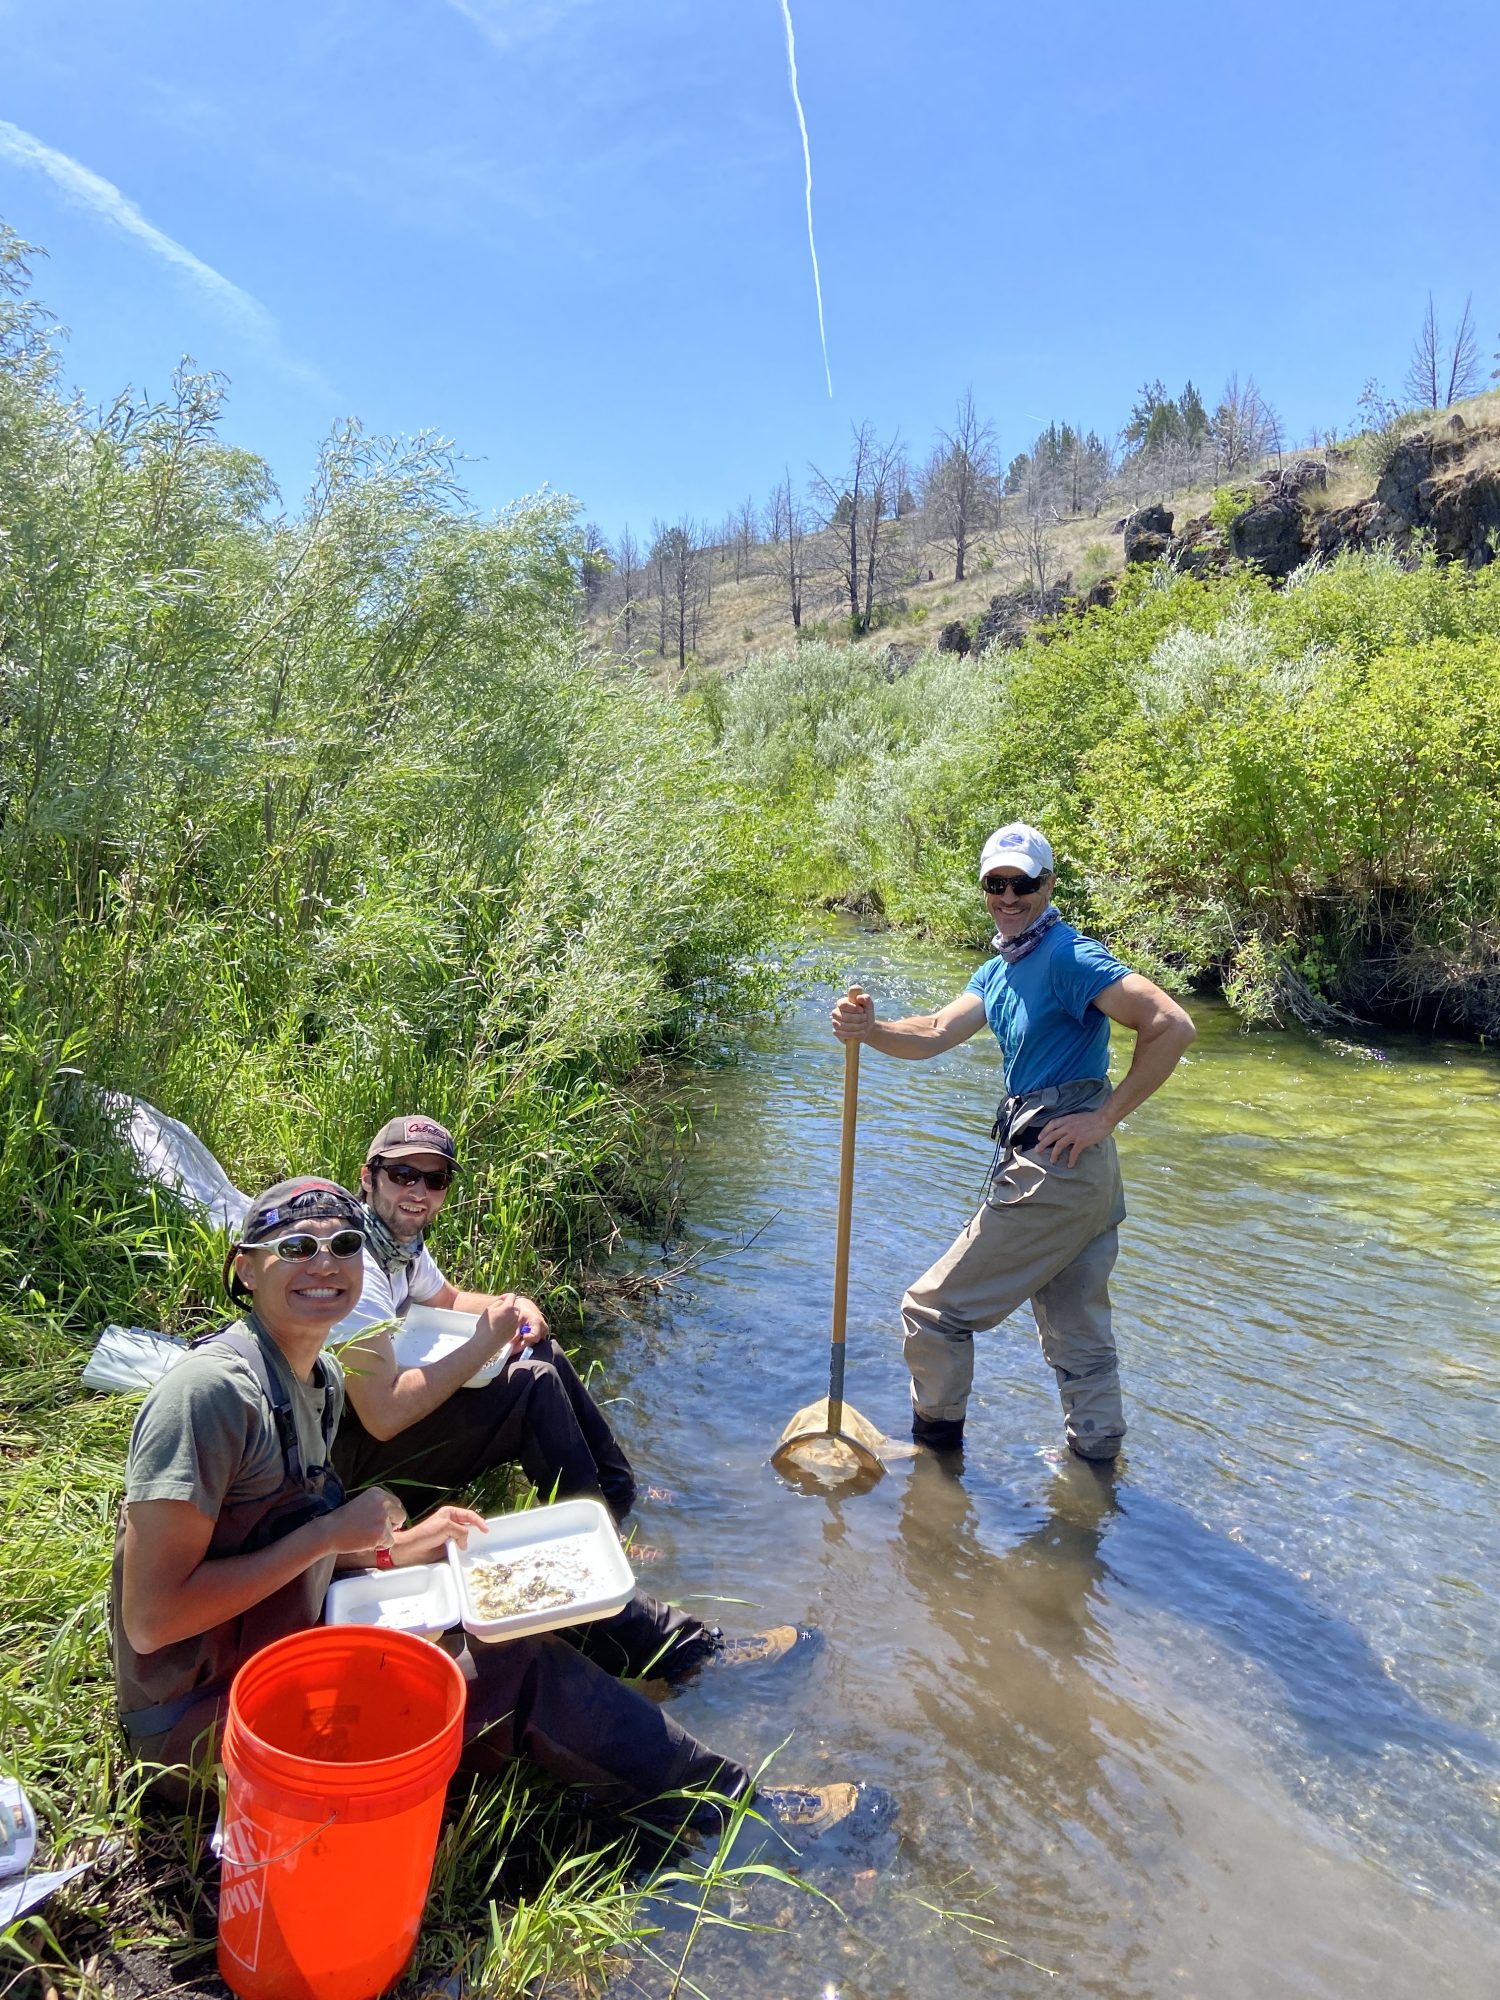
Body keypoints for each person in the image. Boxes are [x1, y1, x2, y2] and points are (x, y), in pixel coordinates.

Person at [110, 1176, 879, 1842]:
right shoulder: (211, 1396)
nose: (326, 1264)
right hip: (215, 1729)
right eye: (296, 1247)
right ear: (244, 1270)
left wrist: (402, 1547)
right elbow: (154, 1618)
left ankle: (684, 1653)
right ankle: (734, 1812)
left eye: (345, 1245)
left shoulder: (313, 1380)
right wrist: (329, 1533)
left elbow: (285, 1546)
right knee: (514, 1663)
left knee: (503, 1560)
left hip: (286, 1648)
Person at [831, 821, 1195, 1460]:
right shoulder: (1003, 967)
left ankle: (935, 1463)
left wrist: (1103, 1118)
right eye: (995, 884)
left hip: (1055, 1168)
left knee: (932, 1312)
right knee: (1079, 1338)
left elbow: (1170, 1024)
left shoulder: (1066, 956)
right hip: (1082, 1177)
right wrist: (871, 1028)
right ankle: (1093, 1477)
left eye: (1022, 883)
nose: (1008, 896)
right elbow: (938, 1031)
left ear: (1048, 885)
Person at [328, 1116, 636, 1522]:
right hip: (340, 1473)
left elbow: (448, 1298)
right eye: (403, 1174)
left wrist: (516, 1305)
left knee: (540, 1347)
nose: (418, 1192)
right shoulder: (356, 1270)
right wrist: (483, 1345)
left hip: (372, 1432)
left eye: (435, 1180)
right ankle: (591, 1540)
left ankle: (617, 1495)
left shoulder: (398, 1247)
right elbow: (382, 1416)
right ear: (368, 1178)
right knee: (532, 1385)